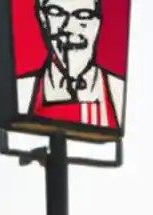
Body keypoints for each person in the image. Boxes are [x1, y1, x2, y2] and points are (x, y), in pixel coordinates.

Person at [16, 0, 125, 129]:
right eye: (56, 13)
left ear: (98, 22)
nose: (69, 27)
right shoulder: (20, 93)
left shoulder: (119, 93)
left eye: (84, 15)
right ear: (43, 18)